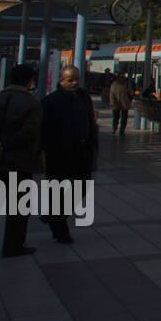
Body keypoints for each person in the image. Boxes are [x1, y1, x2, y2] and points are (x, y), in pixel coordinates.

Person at [40, 66, 98, 245]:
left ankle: (53, 215)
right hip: (60, 153)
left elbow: (90, 121)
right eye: (70, 80)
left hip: (82, 152)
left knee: (81, 187)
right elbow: (44, 130)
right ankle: (60, 230)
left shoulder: (84, 97)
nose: (74, 83)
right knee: (58, 190)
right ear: (61, 81)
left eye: (76, 79)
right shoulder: (51, 101)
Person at [0, 64, 43, 257]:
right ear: (29, 81)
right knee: (18, 208)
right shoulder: (31, 103)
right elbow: (30, 133)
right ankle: (13, 246)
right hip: (19, 162)